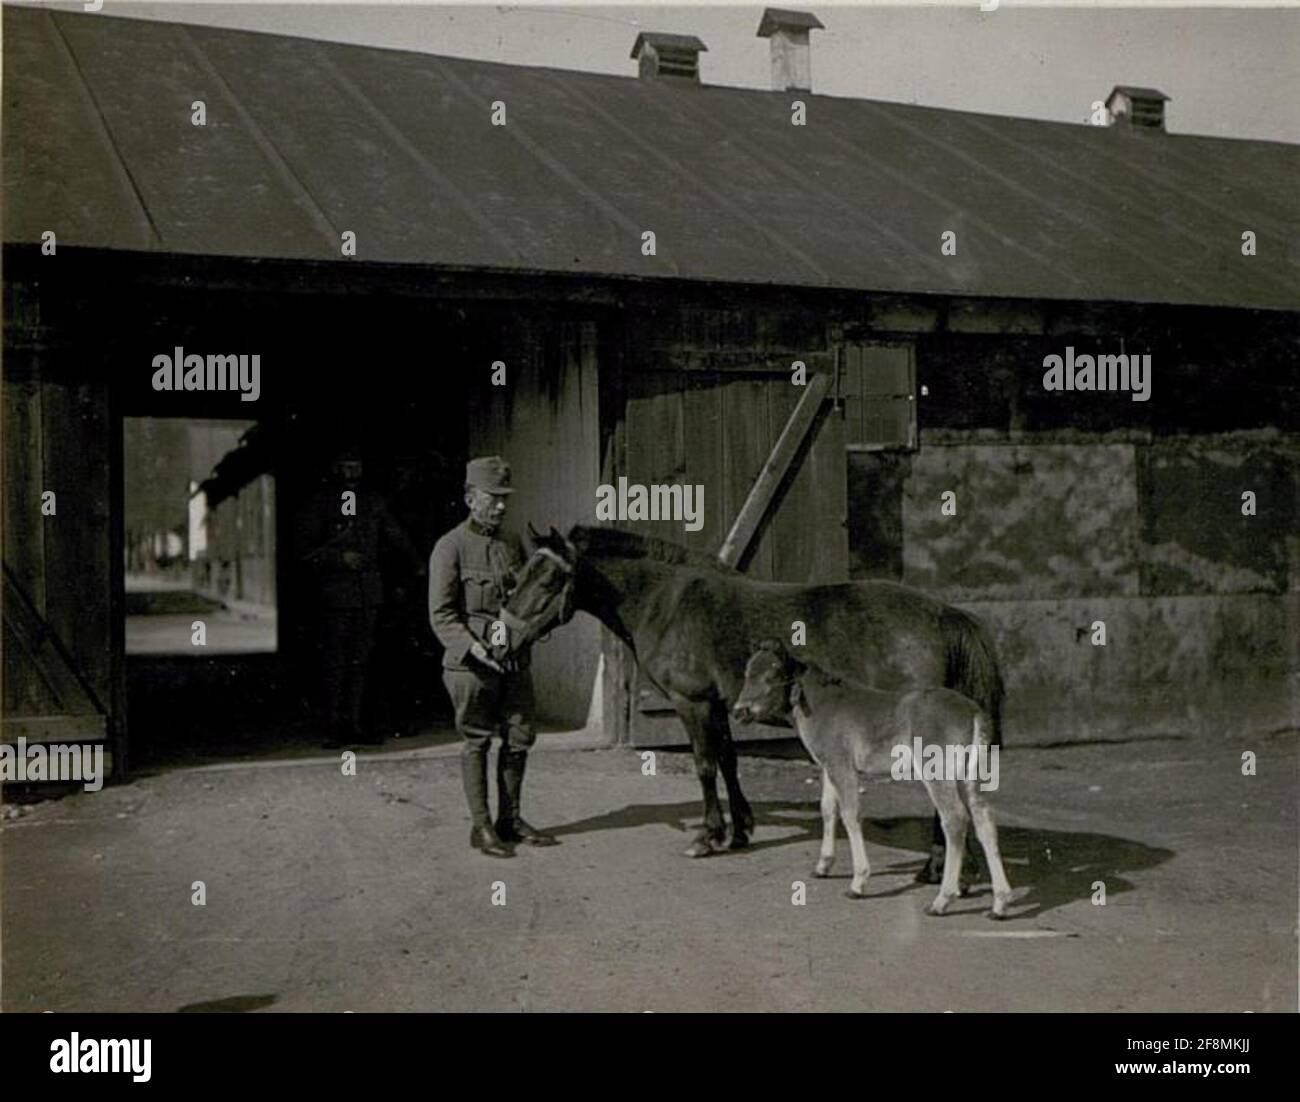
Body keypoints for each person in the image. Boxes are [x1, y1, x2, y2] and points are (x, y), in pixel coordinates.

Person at [428, 456, 558, 857]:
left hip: (513, 660)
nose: (501, 506)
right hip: (471, 665)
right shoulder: (450, 547)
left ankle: (511, 819)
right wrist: (477, 648)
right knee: (478, 741)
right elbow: (442, 615)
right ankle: (481, 826)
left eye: (505, 498)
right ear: (470, 498)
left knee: (519, 738)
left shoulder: (512, 543)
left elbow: (519, 601)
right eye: (493, 497)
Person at [301, 447, 417, 747]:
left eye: (357, 466)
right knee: (335, 663)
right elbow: (306, 551)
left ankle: (354, 723)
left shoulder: (373, 502)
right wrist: (339, 558)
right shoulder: (321, 504)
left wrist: (418, 562)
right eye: (345, 466)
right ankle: (332, 726)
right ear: (334, 469)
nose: (352, 473)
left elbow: (395, 536)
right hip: (336, 596)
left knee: (361, 662)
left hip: (368, 595)